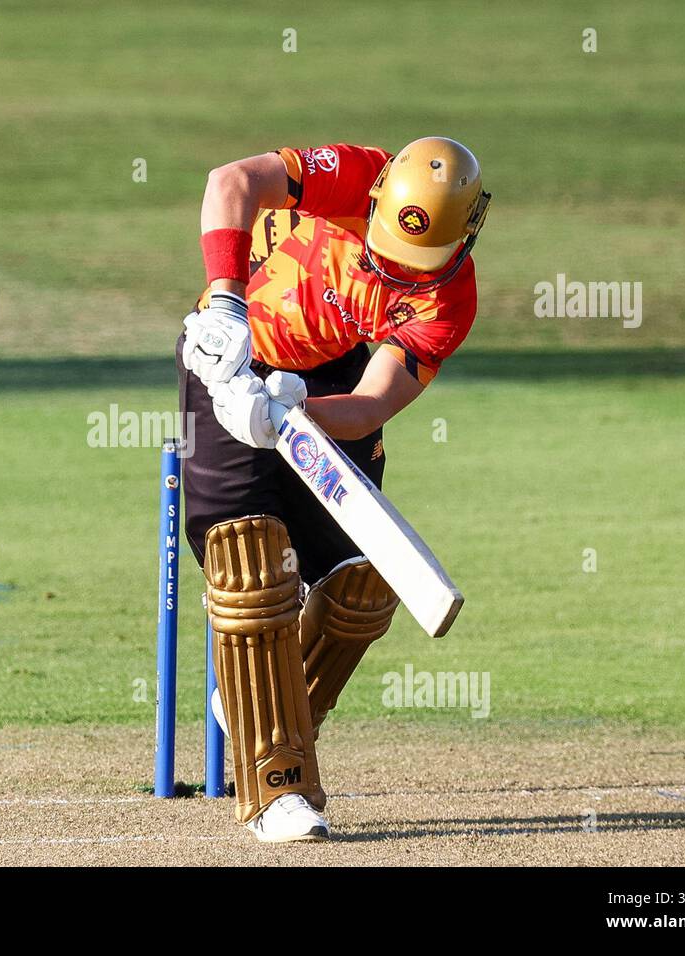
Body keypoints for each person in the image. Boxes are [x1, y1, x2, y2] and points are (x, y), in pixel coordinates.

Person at [178, 137, 491, 842]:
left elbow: (373, 403)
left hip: (327, 384)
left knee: (362, 584)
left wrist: (291, 412)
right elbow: (230, 180)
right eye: (386, 249)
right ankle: (276, 791)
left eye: (416, 263)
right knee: (251, 563)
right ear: (377, 197)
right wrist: (225, 303)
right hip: (230, 348)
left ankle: (257, 699)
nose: (394, 271)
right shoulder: (354, 173)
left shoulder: (449, 299)